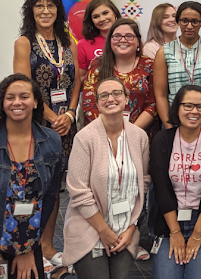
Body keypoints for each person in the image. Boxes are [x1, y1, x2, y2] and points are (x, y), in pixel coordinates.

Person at [13, 0, 80, 265]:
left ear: (58, 11)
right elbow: (24, 86)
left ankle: (47, 244)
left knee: (54, 185)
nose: (45, 11)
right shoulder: (24, 42)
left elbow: (78, 80)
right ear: (31, 11)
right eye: (39, 6)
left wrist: (72, 114)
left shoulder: (69, 41)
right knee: (31, 185)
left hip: (67, 124)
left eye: (50, 6)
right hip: (37, 125)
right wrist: (52, 118)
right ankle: (20, 243)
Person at [62, 77, 150, 278]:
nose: (111, 98)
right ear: (97, 102)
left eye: (116, 93)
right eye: (104, 95)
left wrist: (131, 227)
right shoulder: (84, 138)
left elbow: (142, 184)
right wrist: (104, 231)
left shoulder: (140, 137)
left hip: (125, 228)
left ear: (126, 98)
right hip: (90, 227)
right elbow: (79, 192)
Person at [150, 85, 201, 279]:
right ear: (177, 108)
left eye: (200, 107)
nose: (194, 111)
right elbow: (161, 190)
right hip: (170, 222)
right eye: (188, 105)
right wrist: (175, 232)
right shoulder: (162, 140)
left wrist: (196, 234)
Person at [0, 74, 62, 279]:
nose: (17, 102)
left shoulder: (51, 140)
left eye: (24, 96)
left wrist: (25, 248)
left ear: (36, 102)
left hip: (29, 238)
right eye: (10, 97)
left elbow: (50, 197)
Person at [82, 19, 159, 140]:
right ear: (110, 41)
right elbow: (89, 104)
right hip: (102, 136)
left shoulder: (149, 65)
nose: (123, 40)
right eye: (117, 36)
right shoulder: (97, 65)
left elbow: (153, 105)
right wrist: (111, 132)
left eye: (129, 36)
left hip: (139, 135)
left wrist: (129, 133)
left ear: (138, 42)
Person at [154, 1, 201, 130]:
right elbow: (160, 94)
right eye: (184, 21)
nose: (189, 26)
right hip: (174, 123)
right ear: (178, 21)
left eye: (195, 21)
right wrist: (169, 126)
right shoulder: (164, 52)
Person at [77, 0, 122, 80]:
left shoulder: (128, 40)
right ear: (91, 21)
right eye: (96, 17)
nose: (102, 19)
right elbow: (80, 78)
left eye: (105, 13)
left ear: (115, 13)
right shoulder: (83, 45)